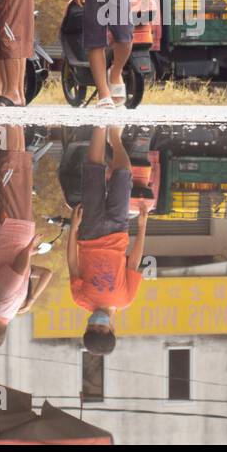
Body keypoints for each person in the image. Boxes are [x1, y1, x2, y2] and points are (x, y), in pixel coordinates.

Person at [66, 125, 148, 355]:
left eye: (91, 326)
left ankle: (100, 123)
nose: (96, 322)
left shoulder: (80, 299)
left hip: (89, 231)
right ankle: (114, 135)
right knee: (123, 174)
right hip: (118, 230)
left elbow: (72, 263)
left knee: (93, 172)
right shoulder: (126, 298)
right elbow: (133, 263)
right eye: (101, 327)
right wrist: (142, 227)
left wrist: (73, 229)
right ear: (112, 328)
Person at [0, 125, 53, 348]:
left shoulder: (0, 306)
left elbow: (22, 271)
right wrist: (28, 250)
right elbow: (18, 269)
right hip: (7, 226)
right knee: (11, 163)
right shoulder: (1, 305)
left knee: (5, 162)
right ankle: (13, 112)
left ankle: (10, 111)